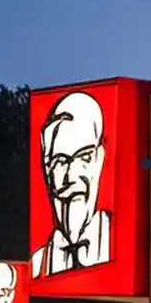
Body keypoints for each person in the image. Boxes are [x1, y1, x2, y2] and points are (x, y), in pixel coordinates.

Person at [31, 92, 112, 278]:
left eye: (84, 157)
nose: (71, 176)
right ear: (46, 171)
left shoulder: (126, 247)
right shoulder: (35, 267)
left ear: (99, 160)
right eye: (60, 162)